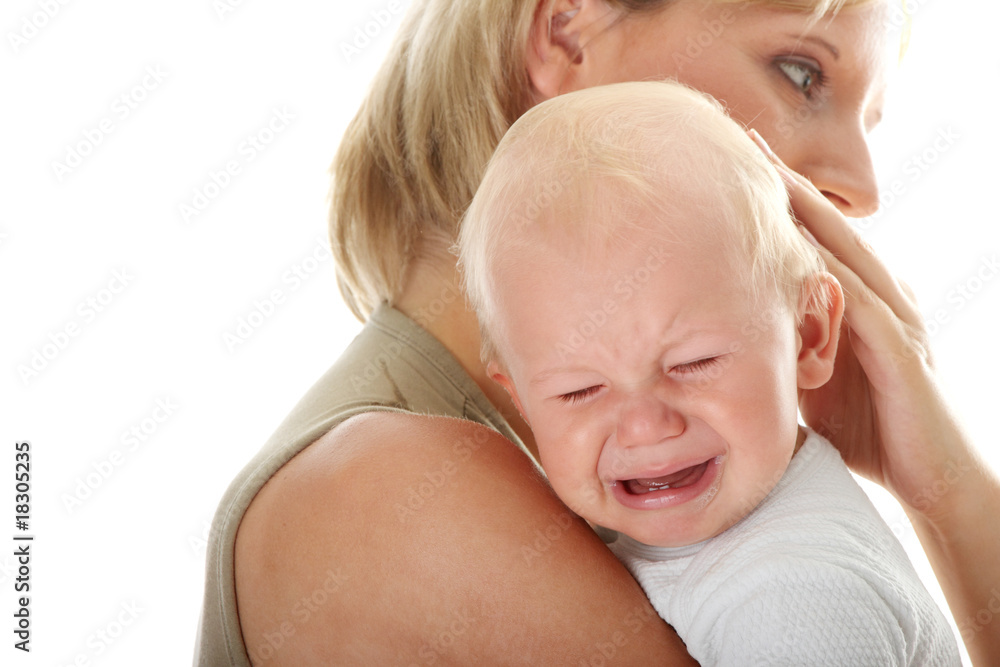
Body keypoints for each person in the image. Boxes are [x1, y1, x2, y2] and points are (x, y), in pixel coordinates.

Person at [194, 0, 1000, 664]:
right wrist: (955, 498)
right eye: (800, 72)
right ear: (568, 29)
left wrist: (938, 482)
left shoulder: (639, 481)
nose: (860, 187)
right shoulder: (391, 491)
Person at [457, 79, 961, 665]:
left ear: (810, 335)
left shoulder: (791, 601)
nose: (646, 427)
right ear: (519, 400)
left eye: (693, 363)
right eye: (579, 391)